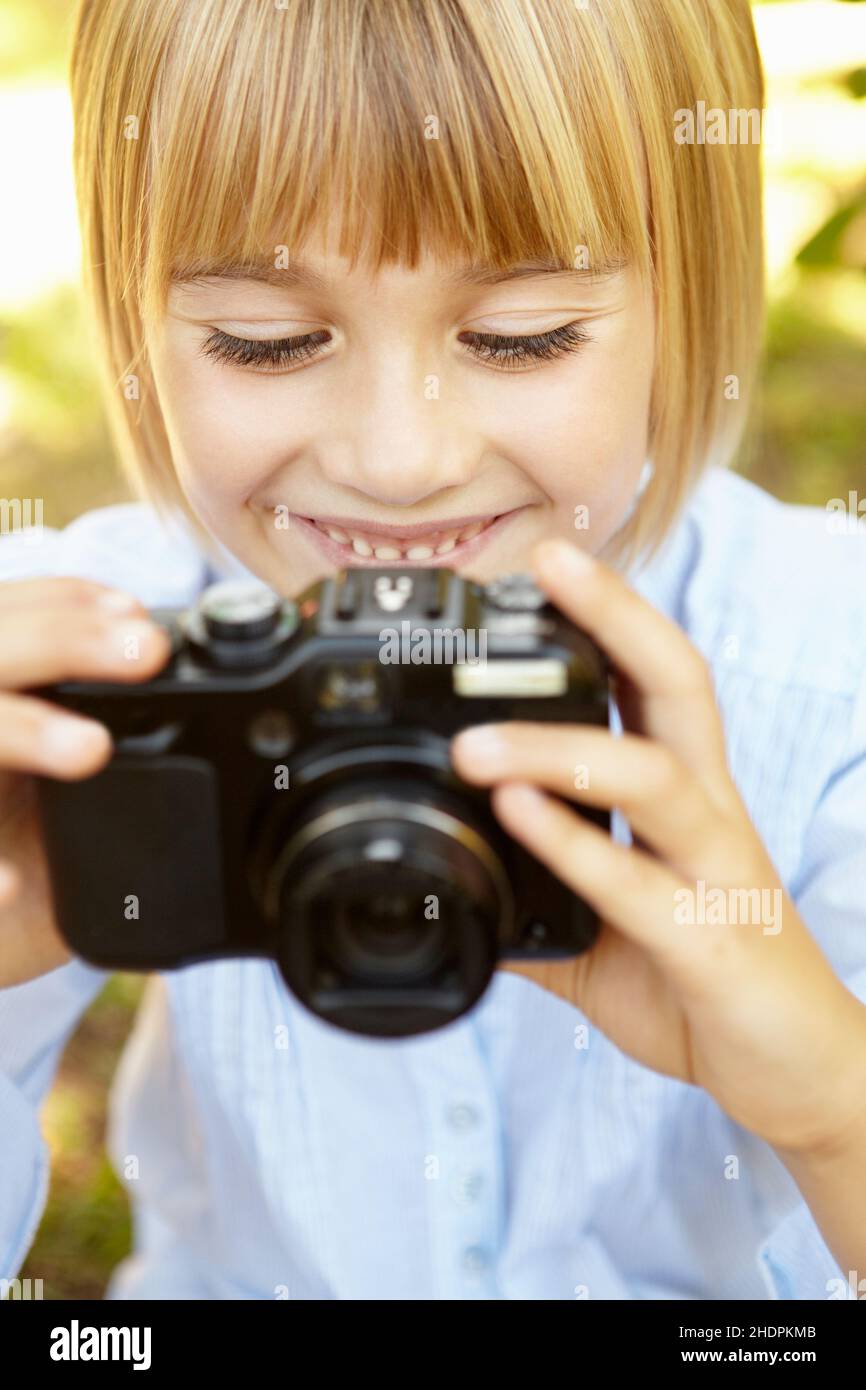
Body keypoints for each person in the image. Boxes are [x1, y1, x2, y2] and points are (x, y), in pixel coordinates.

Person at [1, 0, 865, 1300]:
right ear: (134, 326)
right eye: (266, 338)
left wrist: (833, 1112)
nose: (395, 463)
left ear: (683, 296)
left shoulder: (830, 671)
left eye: (520, 338)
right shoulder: (75, 657)